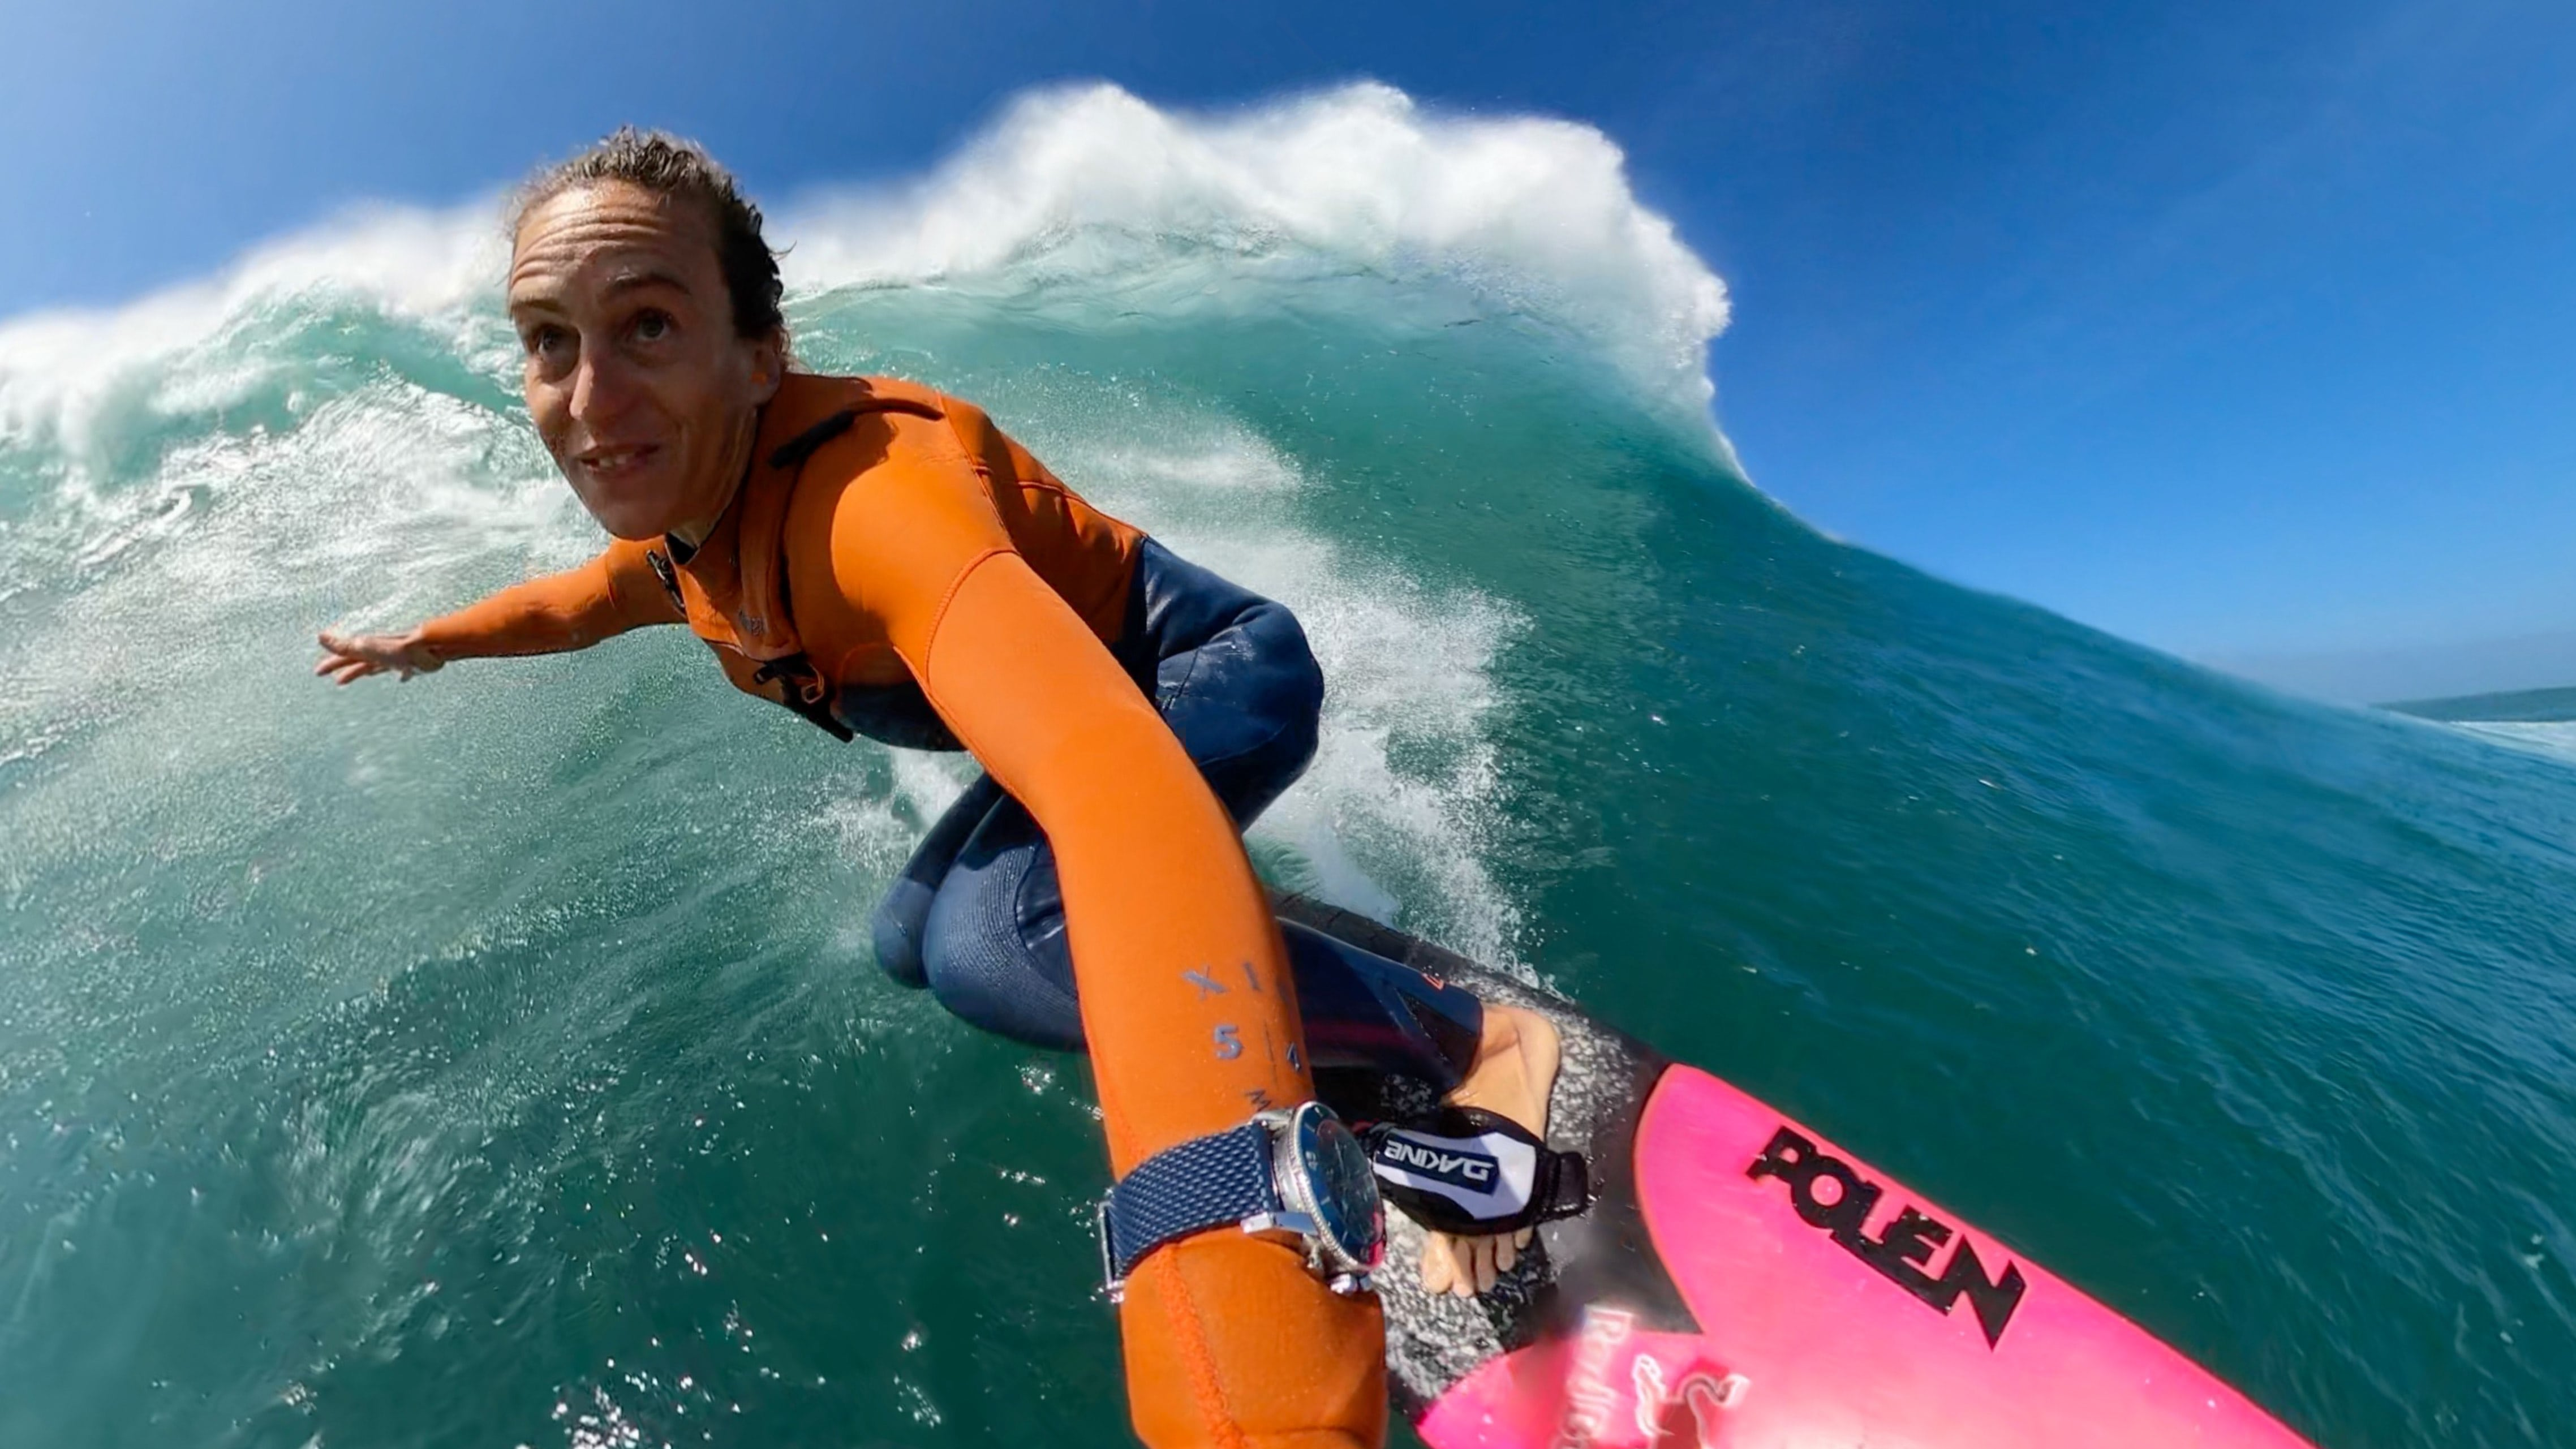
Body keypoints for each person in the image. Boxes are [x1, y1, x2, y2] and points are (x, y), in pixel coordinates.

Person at [316, 129, 1559, 1444]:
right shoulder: (684, 542)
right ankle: (1313, 1001)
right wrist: (430, 640)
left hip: (1214, 674)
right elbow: (570, 603)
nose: (590, 396)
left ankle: (1463, 1037)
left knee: (988, 946)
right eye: (548, 341)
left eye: (647, 326)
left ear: (758, 356)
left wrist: (1261, 1365)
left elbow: (1109, 789)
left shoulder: (871, 505)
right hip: (1121, 701)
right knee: (907, 939)